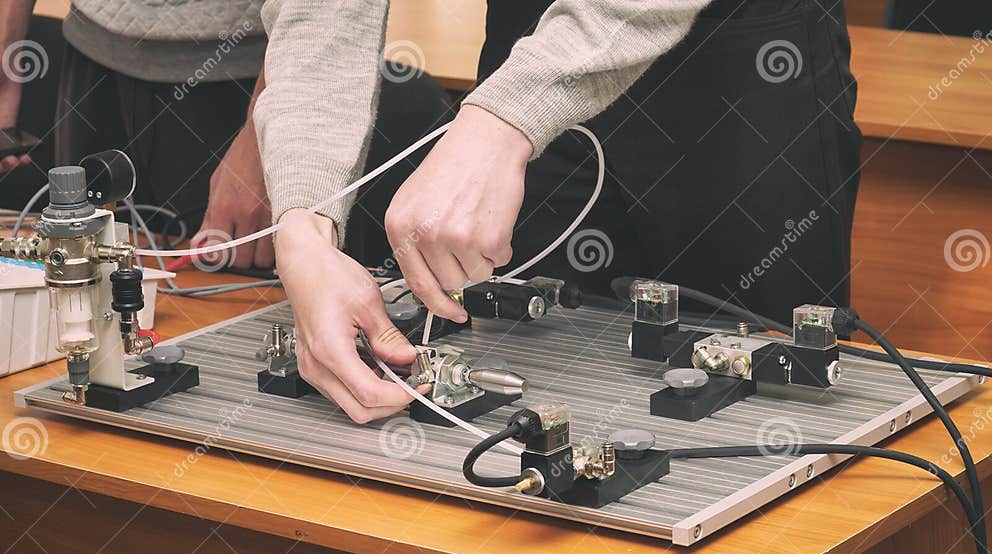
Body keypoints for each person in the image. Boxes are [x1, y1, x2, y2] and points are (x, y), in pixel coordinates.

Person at [254, 0, 862, 424]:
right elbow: (321, 15)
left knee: (770, 401)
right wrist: (302, 228)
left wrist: (508, 119)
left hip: (736, 45)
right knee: (524, 397)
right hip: (531, 44)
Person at [0, 0, 453, 270]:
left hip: (242, 76)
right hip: (91, 61)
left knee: (233, 315)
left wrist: (265, 141)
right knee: (89, 285)